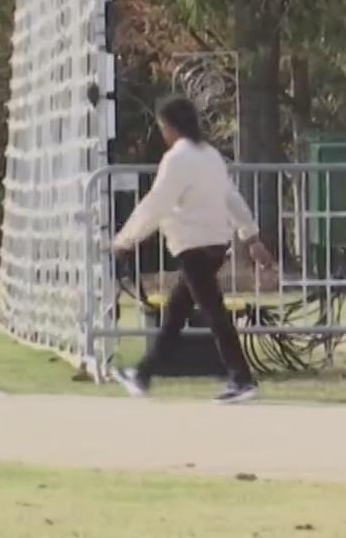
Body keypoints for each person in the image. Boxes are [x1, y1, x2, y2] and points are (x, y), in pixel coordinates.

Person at [111, 96, 276, 404]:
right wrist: (251, 237)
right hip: (216, 243)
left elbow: (155, 204)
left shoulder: (177, 158)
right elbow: (232, 198)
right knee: (176, 311)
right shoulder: (211, 155)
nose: (163, 134)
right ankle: (144, 373)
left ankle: (242, 379)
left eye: (163, 127)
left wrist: (125, 239)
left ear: (170, 126)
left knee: (214, 314)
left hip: (192, 245)